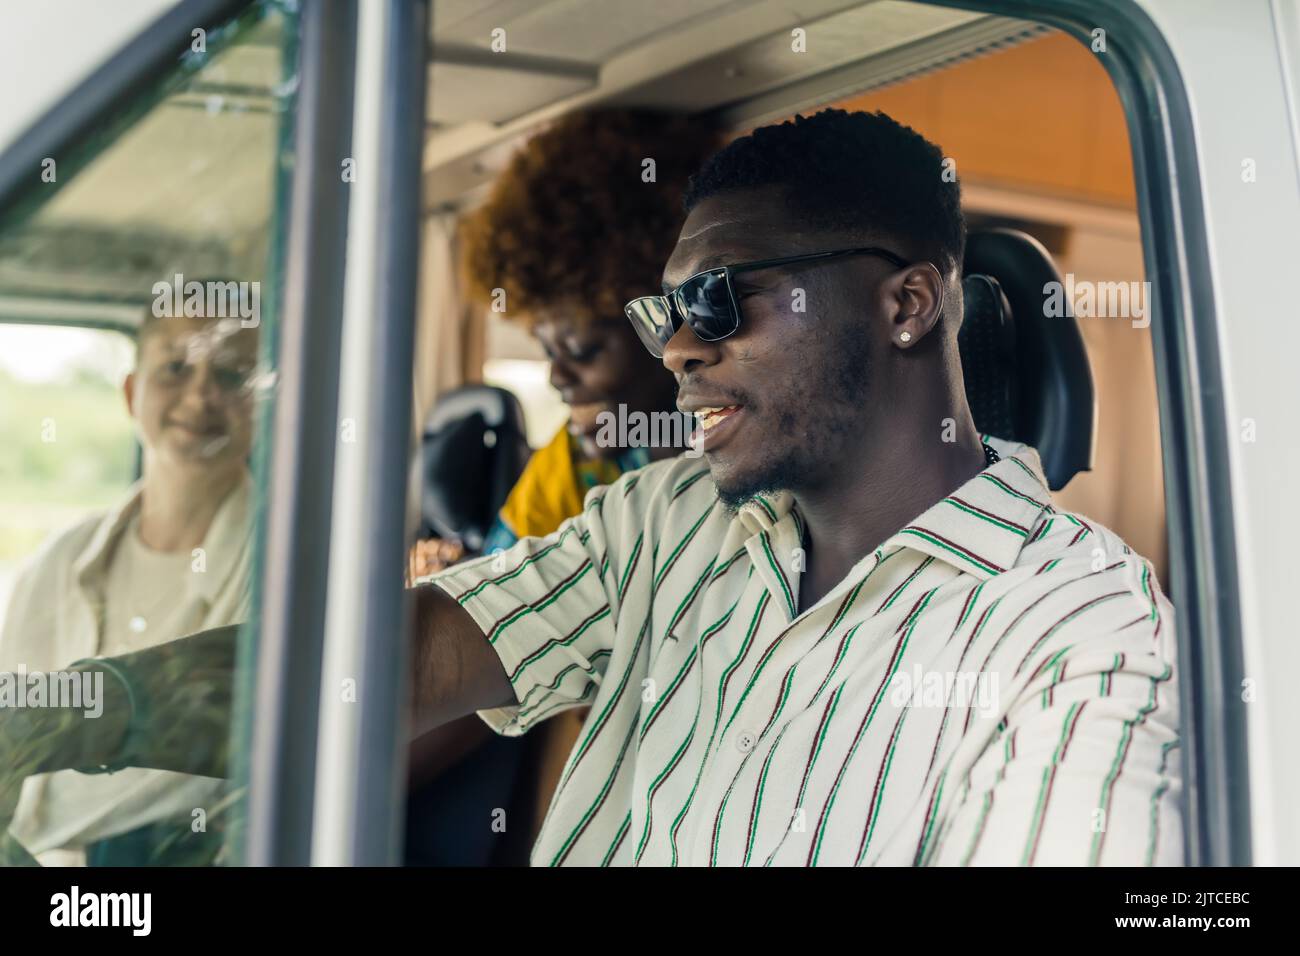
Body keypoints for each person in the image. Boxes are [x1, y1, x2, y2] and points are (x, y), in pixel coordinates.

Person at [1, 109, 1180, 866]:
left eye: (718, 300)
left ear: (908, 304)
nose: (675, 347)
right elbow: (404, 658)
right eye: (663, 311)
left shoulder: (1080, 632)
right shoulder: (669, 519)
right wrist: (76, 709)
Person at [407, 110, 719, 848]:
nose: (555, 374)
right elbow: (483, 626)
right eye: (544, 344)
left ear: (667, 324)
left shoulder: (753, 480)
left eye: (580, 343)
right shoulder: (575, 462)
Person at [0, 300, 258, 865]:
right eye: (175, 369)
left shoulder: (283, 566)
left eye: (230, 374)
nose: (200, 396)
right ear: (129, 394)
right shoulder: (53, 565)